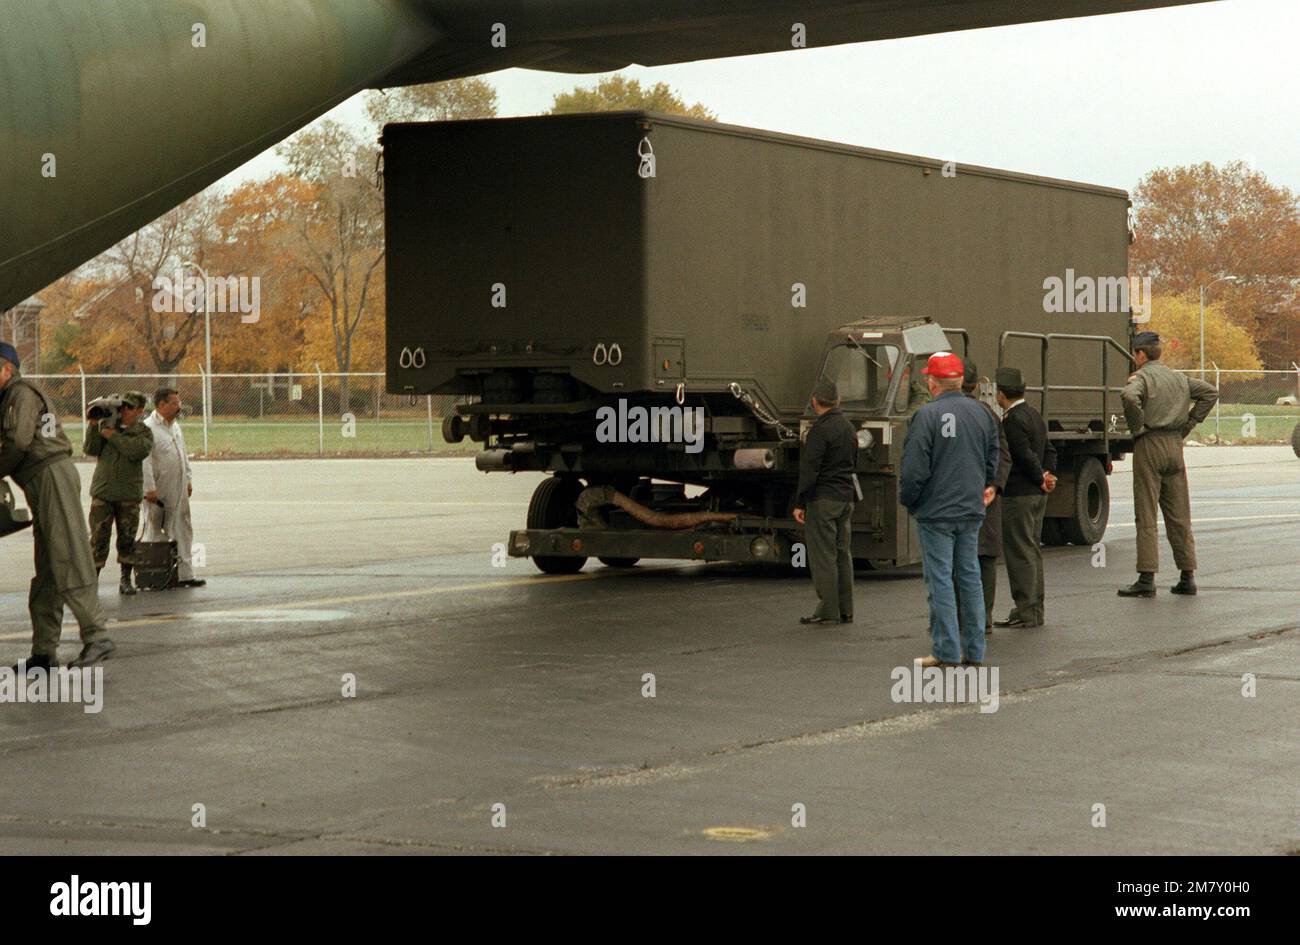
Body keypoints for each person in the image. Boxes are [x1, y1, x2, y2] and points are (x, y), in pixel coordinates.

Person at [0, 341, 115, 668]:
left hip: (50, 475)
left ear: (7, 368)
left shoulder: (20, 394)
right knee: (49, 570)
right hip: (42, 480)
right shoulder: (13, 396)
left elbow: (18, 443)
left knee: (70, 556)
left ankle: (97, 636)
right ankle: (43, 651)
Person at [899, 352, 1000, 667]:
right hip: (970, 509)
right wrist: (987, 486)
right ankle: (975, 649)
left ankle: (945, 650)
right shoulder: (982, 413)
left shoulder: (926, 416)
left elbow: (914, 469)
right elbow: (992, 455)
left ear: (932, 382)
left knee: (940, 579)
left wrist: (911, 500)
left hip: (937, 512)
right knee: (969, 576)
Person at [1118, 331, 1218, 597]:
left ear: (1140, 354)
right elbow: (1210, 392)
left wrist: (1137, 426)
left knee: (1147, 513)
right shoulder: (1177, 378)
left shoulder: (1142, 378)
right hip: (1175, 445)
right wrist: (1190, 422)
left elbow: (1129, 397)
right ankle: (1187, 575)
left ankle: (1146, 578)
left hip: (1150, 444)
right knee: (1179, 514)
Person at [994, 367, 1057, 629]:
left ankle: (1026, 610)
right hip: (1037, 495)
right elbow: (1049, 449)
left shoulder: (1011, 421)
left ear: (1000, 395)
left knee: (1019, 552)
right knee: (1032, 550)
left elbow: (1021, 454)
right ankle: (1035, 608)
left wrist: (1039, 477)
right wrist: (1048, 475)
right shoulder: (1034, 415)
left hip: (1020, 494)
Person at [792, 379, 858, 625]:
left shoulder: (819, 431)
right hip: (845, 498)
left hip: (823, 499)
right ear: (838, 401)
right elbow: (854, 462)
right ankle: (846, 608)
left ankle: (827, 609)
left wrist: (800, 502)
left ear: (814, 401)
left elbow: (810, 470)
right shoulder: (849, 428)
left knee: (823, 555)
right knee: (843, 553)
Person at [956, 362, 1011, 636]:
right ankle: (983, 617)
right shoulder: (989, 414)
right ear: (977, 385)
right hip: (985, 496)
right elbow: (1004, 456)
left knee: (954, 558)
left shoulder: (941, 413)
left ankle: (958, 618)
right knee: (985, 557)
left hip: (953, 497)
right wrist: (994, 486)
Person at [84, 391, 153, 595]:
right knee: (98, 538)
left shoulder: (143, 432)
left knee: (127, 539)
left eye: (130, 407)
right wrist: (93, 426)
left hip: (127, 493)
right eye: (122, 406)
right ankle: (91, 580)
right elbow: (90, 449)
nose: (124, 410)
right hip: (104, 491)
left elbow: (136, 451)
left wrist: (112, 435)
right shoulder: (106, 426)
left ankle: (125, 578)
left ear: (140, 411)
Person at [142, 388, 206, 588]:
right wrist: (149, 488)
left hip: (177, 487)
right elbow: (145, 461)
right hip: (158, 491)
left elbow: (183, 455)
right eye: (174, 403)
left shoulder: (175, 426)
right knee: (155, 528)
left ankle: (185, 574)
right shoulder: (148, 428)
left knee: (183, 527)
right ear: (161, 405)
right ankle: (157, 573)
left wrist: (188, 479)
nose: (178, 407)